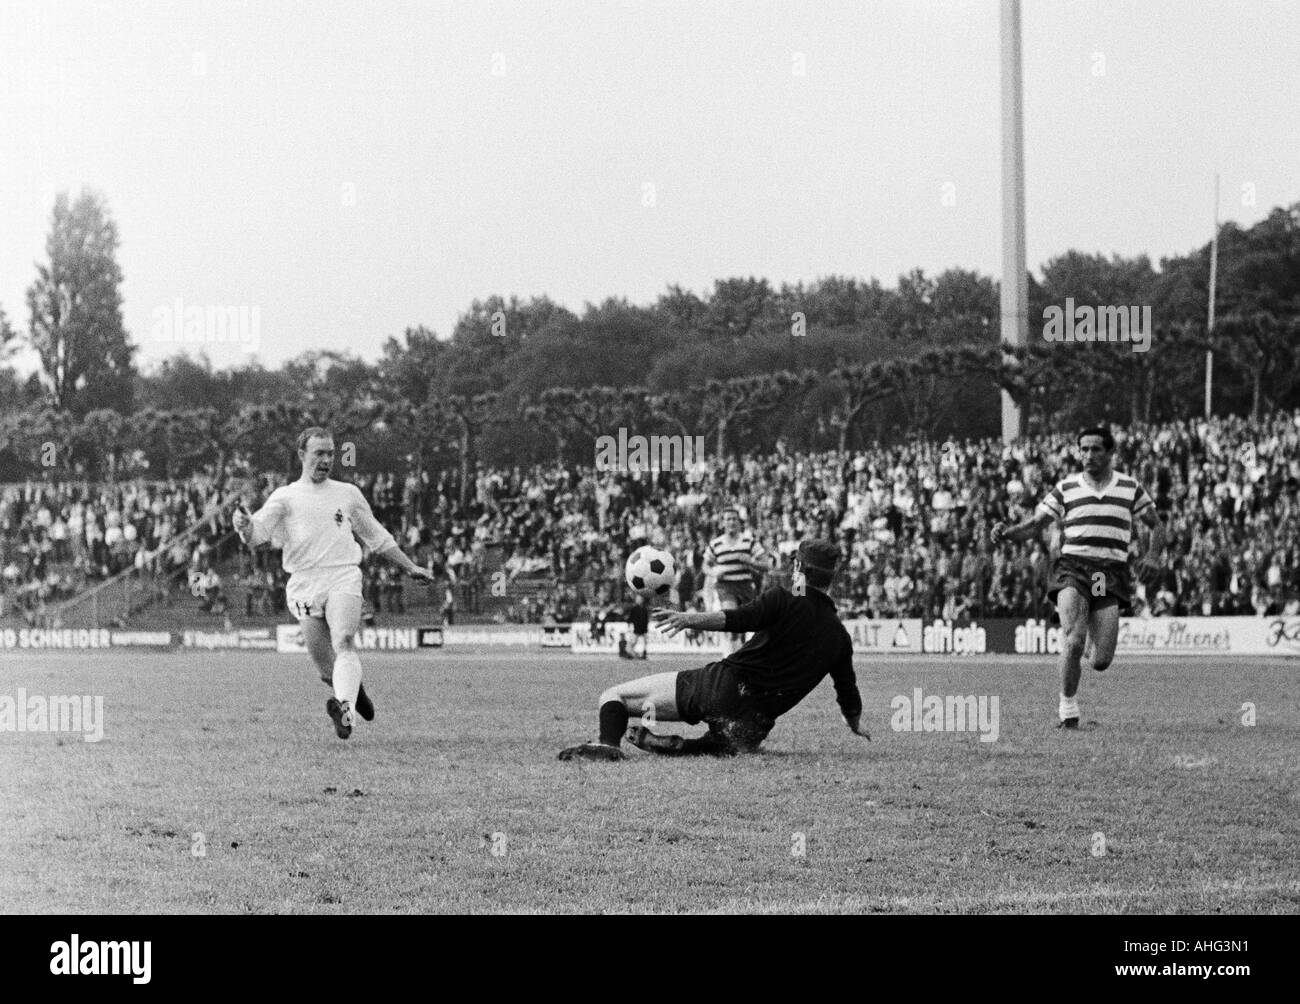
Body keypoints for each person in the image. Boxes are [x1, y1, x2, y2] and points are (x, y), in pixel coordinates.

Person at [558, 539, 868, 761]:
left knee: (614, 697)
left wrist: (687, 619)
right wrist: (854, 726)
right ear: (832, 577)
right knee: (728, 743)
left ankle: (608, 745)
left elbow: (736, 619)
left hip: (721, 688)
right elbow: (848, 695)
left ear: (799, 566)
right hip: (754, 723)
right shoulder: (839, 638)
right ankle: (692, 747)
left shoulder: (782, 599)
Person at [232, 427, 435, 739]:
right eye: (319, 454)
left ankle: (346, 711)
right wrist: (244, 526)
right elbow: (257, 535)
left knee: (344, 641)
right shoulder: (285, 497)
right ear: (302, 456)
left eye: (330, 453)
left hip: (342, 575)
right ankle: (356, 694)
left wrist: (409, 566)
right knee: (327, 671)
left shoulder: (347, 493)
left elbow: (376, 536)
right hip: (303, 583)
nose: (326, 460)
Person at [992, 426, 1165, 729]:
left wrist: (1152, 555)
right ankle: (1068, 708)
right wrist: (1007, 533)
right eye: (1083, 449)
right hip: (1073, 567)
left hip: (1105, 574)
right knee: (1072, 640)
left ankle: (1084, 641)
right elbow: (1035, 525)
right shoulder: (1067, 487)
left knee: (1100, 660)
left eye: (1096, 449)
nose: (1088, 455)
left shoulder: (1129, 488)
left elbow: (1157, 525)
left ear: (1110, 453)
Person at [703, 507, 773, 655]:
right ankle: (730, 658)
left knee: (744, 625)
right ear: (723, 523)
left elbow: (766, 565)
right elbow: (705, 566)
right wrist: (714, 572)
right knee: (731, 619)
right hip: (725, 587)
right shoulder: (716, 544)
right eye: (728, 519)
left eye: (734, 519)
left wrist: (751, 562)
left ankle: (739, 652)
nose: (732, 522)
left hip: (745, 586)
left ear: (739, 522)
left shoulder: (749, 542)